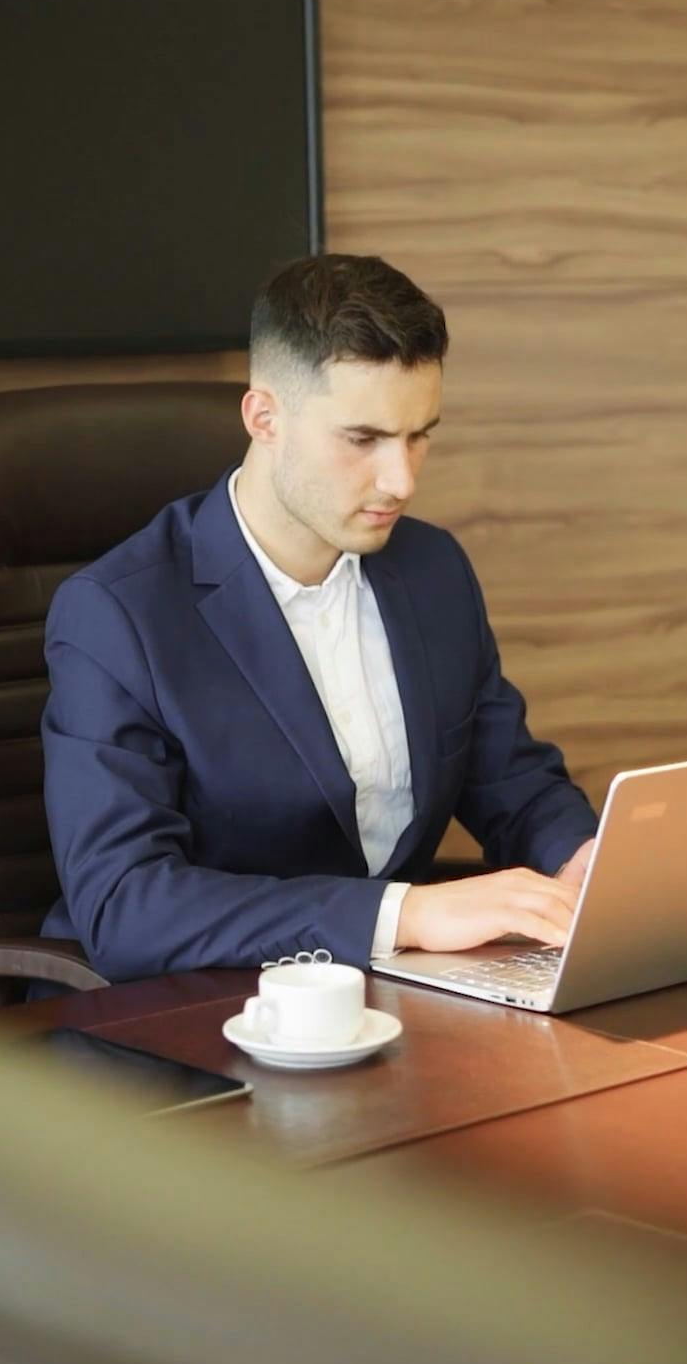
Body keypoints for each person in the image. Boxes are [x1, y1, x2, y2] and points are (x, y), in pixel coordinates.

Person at [40, 254, 597, 980]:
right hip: (199, 1006)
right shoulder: (116, 615)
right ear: (264, 418)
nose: (401, 480)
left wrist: (585, 860)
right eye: (363, 440)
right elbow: (125, 905)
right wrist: (404, 916)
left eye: (419, 434)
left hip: (393, 997)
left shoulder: (433, 569)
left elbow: (510, 783)